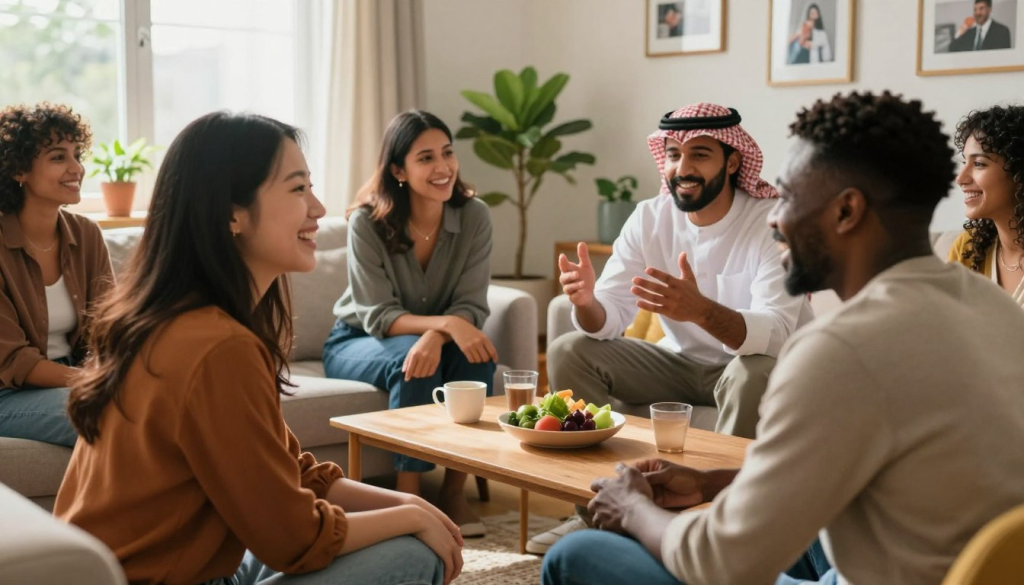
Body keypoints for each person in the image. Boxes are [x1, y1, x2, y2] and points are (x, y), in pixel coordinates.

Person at [542, 91, 1024, 585]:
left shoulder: (837, 352)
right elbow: (882, 468)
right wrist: (714, 480)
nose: (774, 216)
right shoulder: (995, 310)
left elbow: (719, 563)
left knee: (577, 555)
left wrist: (631, 508)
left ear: (846, 211)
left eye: (790, 197)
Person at [55, 112, 461, 585]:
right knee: (411, 555)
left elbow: (288, 476)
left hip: (165, 567)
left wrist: (408, 501)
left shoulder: (177, 319)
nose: (318, 207)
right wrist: (412, 520)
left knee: (386, 531)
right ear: (232, 213)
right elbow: (293, 539)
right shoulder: (216, 347)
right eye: (297, 189)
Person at [532, 103, 811, 554]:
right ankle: (594, 513)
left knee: (751, 370)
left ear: (734, 160)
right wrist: (585, 303)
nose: (684, 167)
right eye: (675, 154)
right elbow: (608, 319)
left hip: (754, 370)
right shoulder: (650, 217)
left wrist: (701, 311)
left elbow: (776, 333)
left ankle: (717, 528)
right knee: (570, 349)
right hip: (679, 364)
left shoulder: (770, 220)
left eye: (700, 154)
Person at [323, 110, 496, 537]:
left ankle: (453, 493)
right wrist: (443, 330)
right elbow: (377, 314)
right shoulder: (367, 222)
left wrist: (440, 332)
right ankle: (410, 496)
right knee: (414, 359)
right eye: (426, 158)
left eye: (448, 153)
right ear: (398, 169)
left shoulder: (474, 216)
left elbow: (470, 307)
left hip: (435, 334)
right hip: (358, 339)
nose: (443, 168)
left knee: (477, 361)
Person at [0, 102, 113, 447]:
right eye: (58, 157)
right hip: (8, 392)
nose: (76, 168)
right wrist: (94, 381)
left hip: (72, 375)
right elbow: (14, 360)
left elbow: (109, 327)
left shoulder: (86, 235)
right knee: (112, 416)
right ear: (19, 170)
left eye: (77, 155)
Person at [948, 105, 1024, 307]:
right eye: (965, 162)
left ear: (1019, 172)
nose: (961, 179)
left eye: (979, 164)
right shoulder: (967, 248)